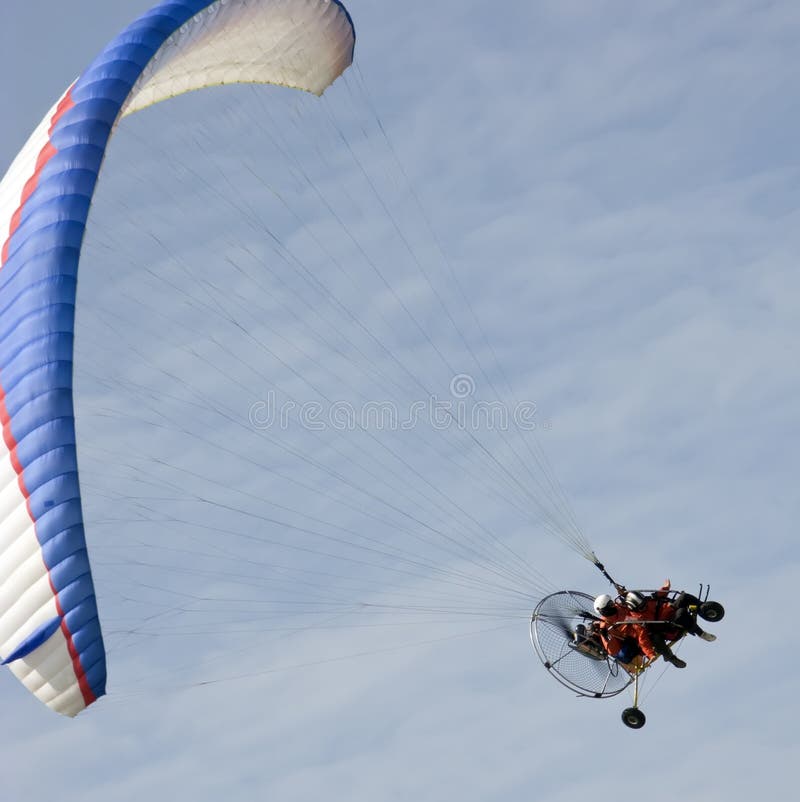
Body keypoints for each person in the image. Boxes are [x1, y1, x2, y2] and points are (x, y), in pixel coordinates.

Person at [593, 593, 687, 668]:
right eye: (610, 604)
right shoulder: (606, 625)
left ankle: (678, 627)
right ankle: (670, 657)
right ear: (604, 609)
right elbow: (640, 635)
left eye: (611, 602)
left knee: (655, 624)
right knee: (654, 637)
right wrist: (650, 654)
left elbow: (630, 608)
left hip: (643, 622)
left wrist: (624, 594)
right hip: (637, 640)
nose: (613, 604)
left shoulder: (619, 608)